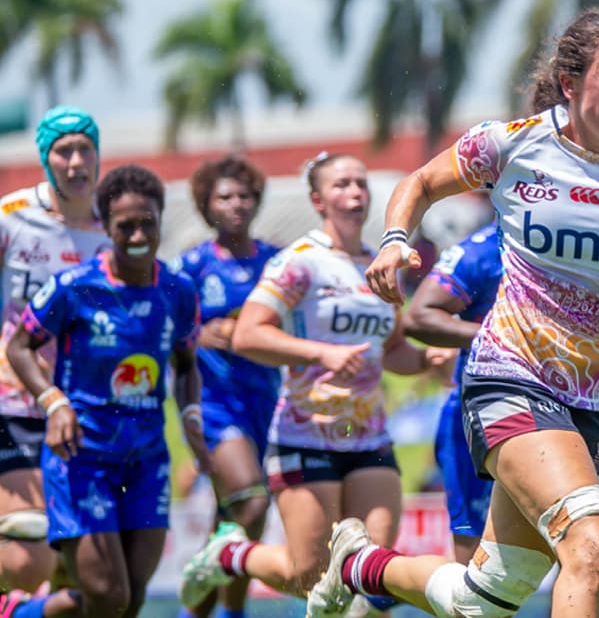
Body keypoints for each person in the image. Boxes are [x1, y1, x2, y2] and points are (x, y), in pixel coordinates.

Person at [300, 7, 599, 618]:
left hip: (592, 399)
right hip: (510, 376)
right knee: (596, 544)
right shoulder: (512, 143)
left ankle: (357, 562)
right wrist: (396, 238)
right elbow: (418, 183)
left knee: (484, 599)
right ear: (569, 81)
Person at [176, 153, 452, 617]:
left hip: (369, 435)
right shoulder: (297, 262)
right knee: (310, 576)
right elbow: (249, 334)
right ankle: (229, 554)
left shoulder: (380, 266)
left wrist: (428, 359)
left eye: (361, 183)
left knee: (373, 582)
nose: (356, 192)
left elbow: (393, 349)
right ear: (318, 199)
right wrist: (321, 353)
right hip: (305, 434)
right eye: (343, 184)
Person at [6, 164, 211, 617]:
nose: (138, 234)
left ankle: (20, 613)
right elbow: (20, 346)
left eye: (147, 223)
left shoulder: (178, 291)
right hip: (84, 458)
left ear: (160, 220)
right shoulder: (75, 287)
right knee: (107, 594)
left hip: (148, 460)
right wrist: (53, 402)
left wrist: (192, 416)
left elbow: (187, 363)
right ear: (106, 227)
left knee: (131, 599)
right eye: (125, 226)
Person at [0, 106, 110, 615]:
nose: (75, 161)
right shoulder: (12, 216)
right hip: (13, 400)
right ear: (46, 158)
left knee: (86, 569)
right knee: (29, 554)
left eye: (84, 149)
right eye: (63, 150)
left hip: (88, 410)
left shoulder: (113, 231)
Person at [172, 156, 281, 618]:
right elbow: (169, 332)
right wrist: (202, 333)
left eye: (244, 195)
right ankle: (232, 613)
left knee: (231, 517)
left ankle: (198, 611)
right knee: (251, 506)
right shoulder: (191, 267)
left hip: (268, 403)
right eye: (225, 197)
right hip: (215, 405)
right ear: (206, 205)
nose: (236, 204)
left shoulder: (278, 261)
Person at [400, 221, 502, 566]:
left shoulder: (571, 252)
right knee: (473, 565)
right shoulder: (481, 251)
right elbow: (418, 318)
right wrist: (503, 338)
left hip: (562, 416)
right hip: (478, 423)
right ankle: (375, 583)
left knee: (585, 549)